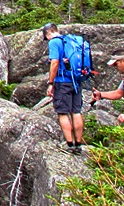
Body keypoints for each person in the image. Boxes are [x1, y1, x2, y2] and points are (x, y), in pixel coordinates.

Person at [43, 23, 85, 155]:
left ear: (48, 33)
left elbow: (55, 63)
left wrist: (51, 83)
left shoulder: (54, 42)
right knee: (76, 112)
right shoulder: (71, 40)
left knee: (63, 113)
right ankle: (78, 145)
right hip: (76, 81)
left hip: (62, 82)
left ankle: (70, 145)